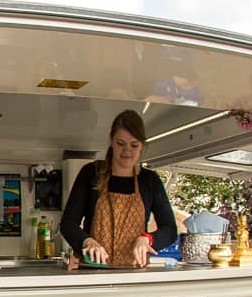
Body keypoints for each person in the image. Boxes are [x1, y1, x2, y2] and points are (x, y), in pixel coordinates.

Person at [60, 110, 177, 269]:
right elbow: (68, 224)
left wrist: (147, 239)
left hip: (133, 274)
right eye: (120, 143)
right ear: (111, 141)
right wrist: (87, 241)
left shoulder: (150, 180)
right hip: (92, 271)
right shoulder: (92, 173)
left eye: (134, 145)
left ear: (142, 145)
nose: (127, 151)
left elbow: (169, 230)